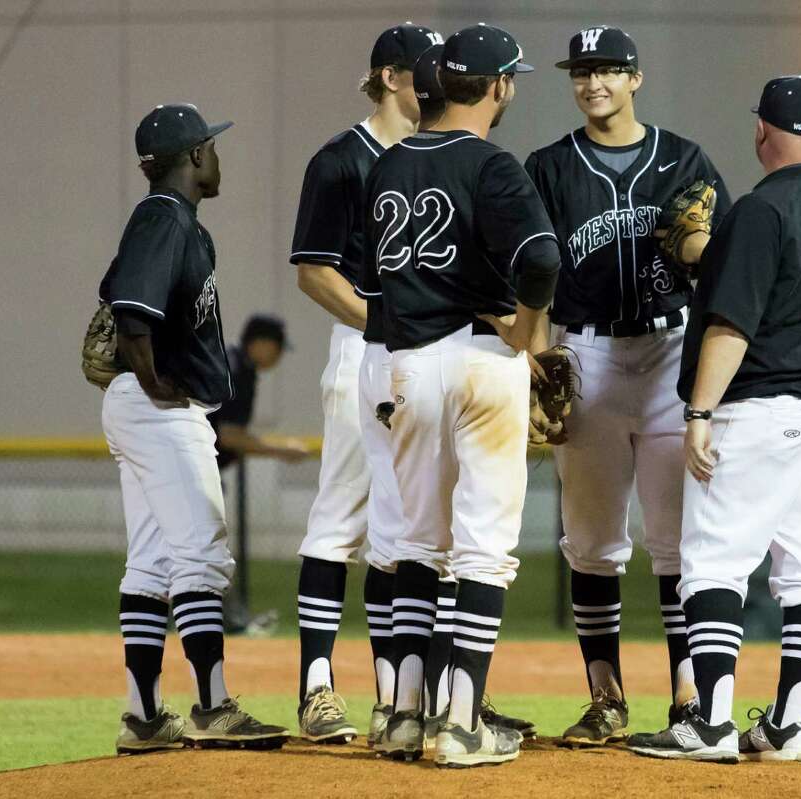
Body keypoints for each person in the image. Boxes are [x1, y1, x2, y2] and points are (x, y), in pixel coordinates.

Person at [625, 76, 801, 764]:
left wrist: (700, 410)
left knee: (711, 563)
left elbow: (731, 325)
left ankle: (708, 722)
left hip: (764, 406)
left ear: (761, 131)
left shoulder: (757, 212)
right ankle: (788, 727)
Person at [523, 25, 729, 747]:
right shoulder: (548, 166)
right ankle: (605, 695)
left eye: (609, 70)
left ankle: (686, 691)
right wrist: (535, 353)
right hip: (588, 354)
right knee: (591, 541)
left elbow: (720, 266)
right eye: (582, 72)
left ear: (636, 78)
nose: (593, 83)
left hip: (671, 348)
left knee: (678, 541)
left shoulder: (683, 159)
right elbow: (531, 273)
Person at [361, 23, 559, 768]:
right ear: (499, 85)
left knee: (415, 541)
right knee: (481, 549)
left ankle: (406, 715)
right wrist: (528, 331)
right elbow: (539, 257)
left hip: (405, 363)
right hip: (480, 360)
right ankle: (462, 722)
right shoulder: (491, 164)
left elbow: (373, 281)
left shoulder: (387, 164)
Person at [100, 104, 288, 754]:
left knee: (152, 561)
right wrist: (153, 380)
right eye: (213, 146)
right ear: (197, 154)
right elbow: (130, 310)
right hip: (157, 410)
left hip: (143, 407)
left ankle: (145, 716)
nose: (218, 157)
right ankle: (212, 706)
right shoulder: (163, 217)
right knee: (201, 554)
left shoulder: (177, 222)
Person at [288, 22, 441, 745]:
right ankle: (316, 688)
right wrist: (383, 322)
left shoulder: (432, 156)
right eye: (421, 72)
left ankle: (396, 699)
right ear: (389, 77)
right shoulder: (341, 160)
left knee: (403, 529)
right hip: (362, 350)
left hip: (426, 355)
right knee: (340, 515)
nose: (433, 81)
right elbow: (314, 271)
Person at [209, 314, 309, 470]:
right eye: (278, 346)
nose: (279, 354)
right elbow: (229, 436)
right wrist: (282, 448)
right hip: (190, 465)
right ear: (260, 342)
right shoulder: (235, 371)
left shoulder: (236, 365)